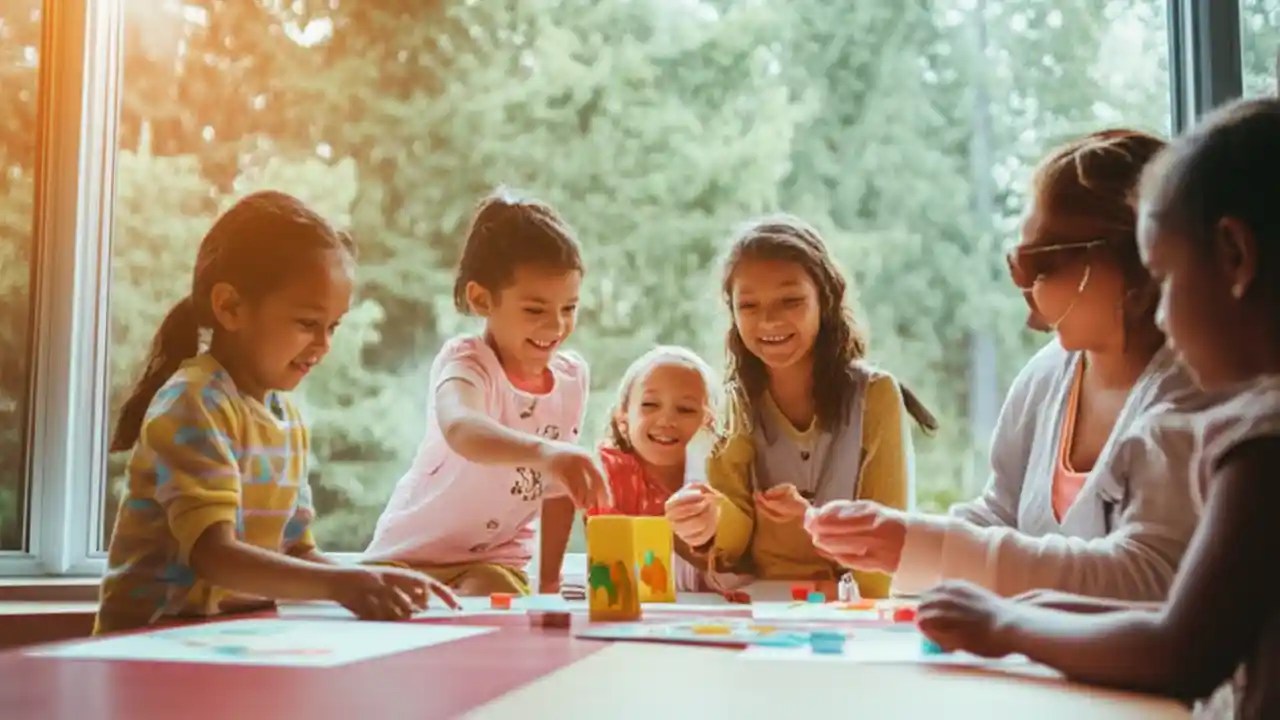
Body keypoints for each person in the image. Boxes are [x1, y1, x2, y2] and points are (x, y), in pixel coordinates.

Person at [915, 96, 1280, 720]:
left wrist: (1009, 627)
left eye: (1165, 280)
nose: (1159, 312)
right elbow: (1167, 617)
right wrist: (1028, 610)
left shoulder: (1263, 445)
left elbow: (1181, 648)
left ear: (1235, 257)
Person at [805, 129, 1203, 601]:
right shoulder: (1047, 374)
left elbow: (1150, 576)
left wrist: (926, 546)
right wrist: (898, 542)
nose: (1022, 284)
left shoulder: (1192, 396)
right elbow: (999, 516)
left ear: (1132, 261)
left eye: (1037, 263)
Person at [97, 191, 456, 635]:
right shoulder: (193, 402)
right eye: (308, 323)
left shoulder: (286, 417)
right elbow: (214, 554)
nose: (324, 345)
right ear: (229, 306)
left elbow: (294, 552)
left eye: (333, 327)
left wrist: (372, 578)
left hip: (229, 644)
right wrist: (342, 584)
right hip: (144, 653)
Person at [666, 215, 936, 598]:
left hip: (854, 611)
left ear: (825, 300)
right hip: (762, 605)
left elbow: (885, 545)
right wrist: (708, 522)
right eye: (748, 306)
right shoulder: (735, 403)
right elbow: (736, 540)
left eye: (790, 300)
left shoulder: (875, 396)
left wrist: (812, 522)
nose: (769, 320)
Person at [363, 189, 609, 596]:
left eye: (569, 308)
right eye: (535, 310)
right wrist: (546, 453)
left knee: (492, 600)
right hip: (407, 557)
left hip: (493, 561)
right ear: (481, 299)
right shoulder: (468, 363)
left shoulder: (571, 379)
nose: (556, 327)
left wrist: (548, 584)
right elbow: (462, 428)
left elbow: (557, 488)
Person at [585, 345, 720, 591]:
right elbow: (612, 569)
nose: (667, 420)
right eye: (649, 404)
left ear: (708, 423)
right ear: (623, 420)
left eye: (686, 409)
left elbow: (731, 566)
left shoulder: (718, 477)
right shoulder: (608, 474)